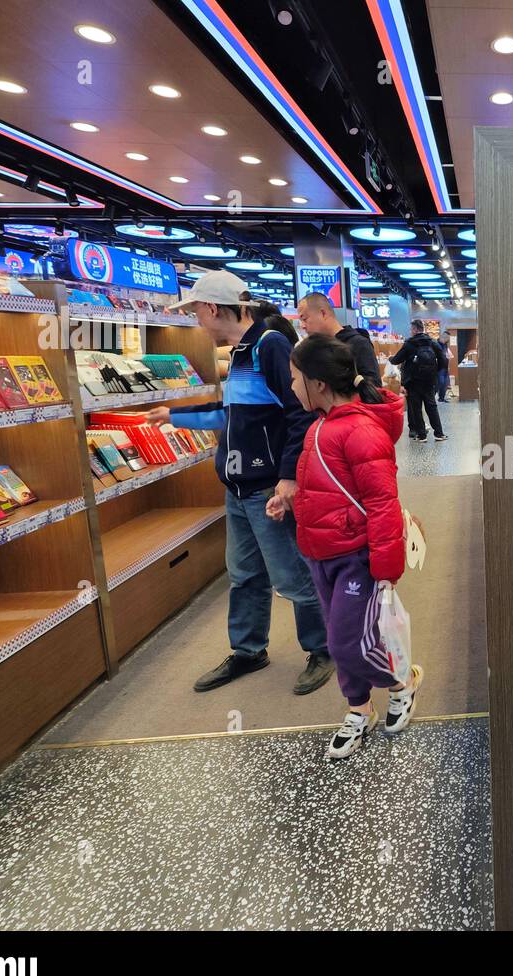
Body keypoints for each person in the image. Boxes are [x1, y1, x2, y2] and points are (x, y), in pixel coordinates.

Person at [147, 270, 335, 696]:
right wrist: (174, 416)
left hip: (266, 488)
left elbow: (300, 413)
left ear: (213, 307)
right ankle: (249, 650)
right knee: (245, 573)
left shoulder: (270, 346)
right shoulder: (239, 352)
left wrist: (287, 477)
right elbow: (234, 413)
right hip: (237, 487)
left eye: (196, 310)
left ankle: (322, 648)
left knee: (291, 573)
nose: (195, 319)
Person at [272, 333, 422, 759]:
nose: (292, 388)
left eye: (296, 379)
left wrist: (385, 569)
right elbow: (324, 488)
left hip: (356, 556)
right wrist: (288, 499)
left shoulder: (358, 431)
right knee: (349, 635)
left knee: (343, 643)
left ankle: (402, 682)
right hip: (321, 553)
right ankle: (359, 708)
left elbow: (381, 502)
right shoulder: (319, 426)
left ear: (318, 383)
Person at [296, 291, 380, 387]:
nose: (302, 326)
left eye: (304, 319)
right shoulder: (316, 348)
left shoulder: (358, 344)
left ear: (323, 313)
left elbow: (375, 388)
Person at [390, 319, 448, 442]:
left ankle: (422, 436)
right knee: (431, 406)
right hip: (429, 381)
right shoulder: (432, 342)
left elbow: (396, 360)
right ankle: (439, 434)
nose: (411, 332)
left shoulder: (409, 344)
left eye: (411, 329)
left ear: (415, 329)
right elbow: (443, 359)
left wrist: (391, 358)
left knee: (416, 408)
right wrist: (435, 372)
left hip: (413, 382)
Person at [434, 334, 451, 403]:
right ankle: (433, 397)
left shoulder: (445, 345)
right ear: (442, 338)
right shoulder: (436, 345)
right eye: (447, 339)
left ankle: (442, 398)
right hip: (439, 368)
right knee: (440, 383)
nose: (447, 340)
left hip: (445, 367)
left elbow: (446, 354)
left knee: (445, 383)